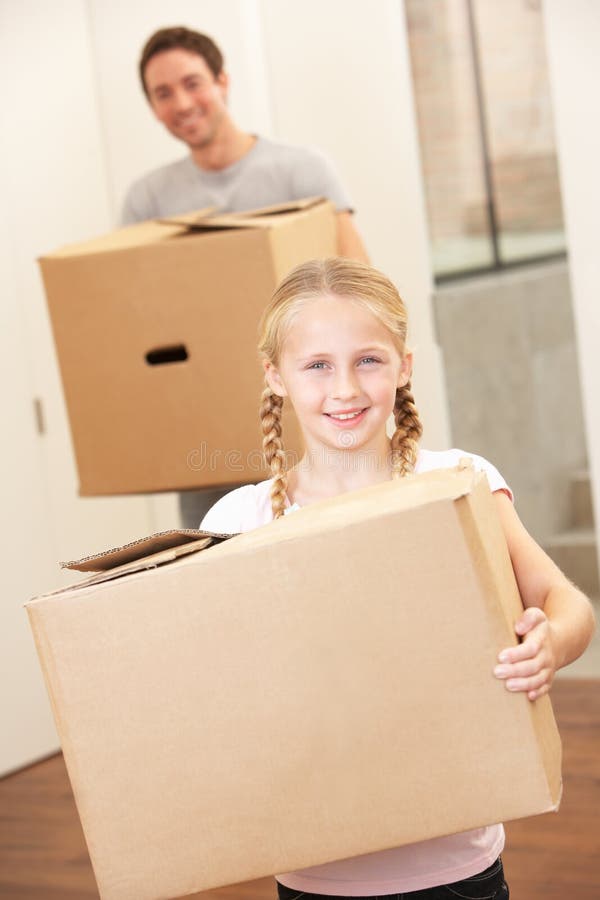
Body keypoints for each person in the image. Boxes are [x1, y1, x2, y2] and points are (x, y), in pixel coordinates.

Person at [200, 257, 596, 900]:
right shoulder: (238, 521)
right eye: (317, 365)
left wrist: (550, 641)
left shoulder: (457, 484)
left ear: (404, 365)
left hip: (456, 870)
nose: (346, 389)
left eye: (369, 360)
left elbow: (566, 601)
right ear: (276, 377)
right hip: (312, 873)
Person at [122, 26, 369, 528]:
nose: (182, 103)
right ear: (152, 108)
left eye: (193, 83)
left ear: (222, 82)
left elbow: (361, 286)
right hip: (206, 443)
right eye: (163, 94)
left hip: (315, 427)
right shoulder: (147, 201)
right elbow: (136, 322)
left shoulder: (300, 171)